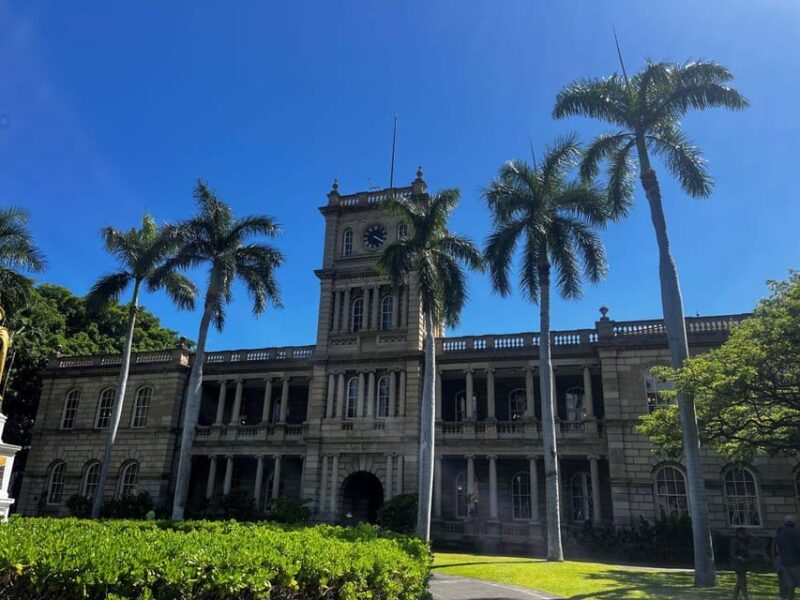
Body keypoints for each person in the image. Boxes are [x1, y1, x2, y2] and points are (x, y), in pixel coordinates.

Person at [775, 515, 800, 600]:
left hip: (784, 562)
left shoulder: (780, 533)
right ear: (793, 523)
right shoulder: (795, 532)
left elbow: (778, 549)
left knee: (790, 584)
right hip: (796, 562)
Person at [730, 527, 751, 599]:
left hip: (744, 563)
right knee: (743, 581)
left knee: (739, 582)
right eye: (742, 533)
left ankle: (734, 597)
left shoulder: (745, 540)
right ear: (738, 533)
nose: (744, 534)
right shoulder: (735, 541)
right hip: (737, 563)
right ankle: (746, 597)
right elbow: (733, 554)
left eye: (745, 533)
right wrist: (740, 558)